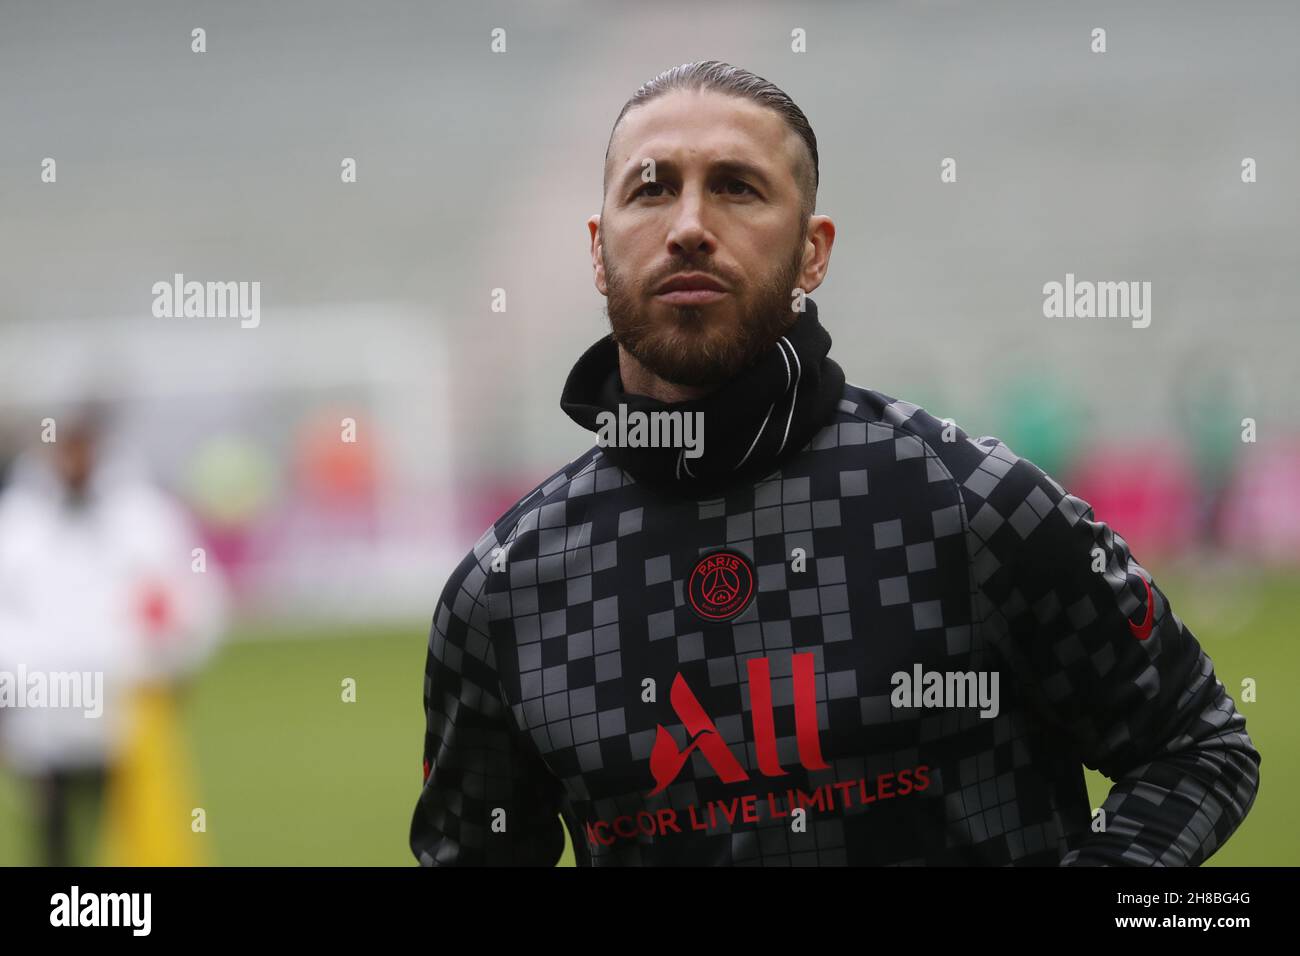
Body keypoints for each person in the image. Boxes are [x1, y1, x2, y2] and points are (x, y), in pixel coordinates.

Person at [409, 61, 1259, 866]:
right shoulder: (503, 594)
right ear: (598, 251)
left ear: (812, 252)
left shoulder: (971, 506)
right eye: (652, 189)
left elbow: (1196, 746)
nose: (690, 226)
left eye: (737, 187)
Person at [0, 402, 226, 865]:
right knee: (55, 827)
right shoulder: (17, 522)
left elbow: (193, 597)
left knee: (134, 825)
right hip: (43, 705)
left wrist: (172, 657)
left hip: (126, 702)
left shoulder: (144, 517)